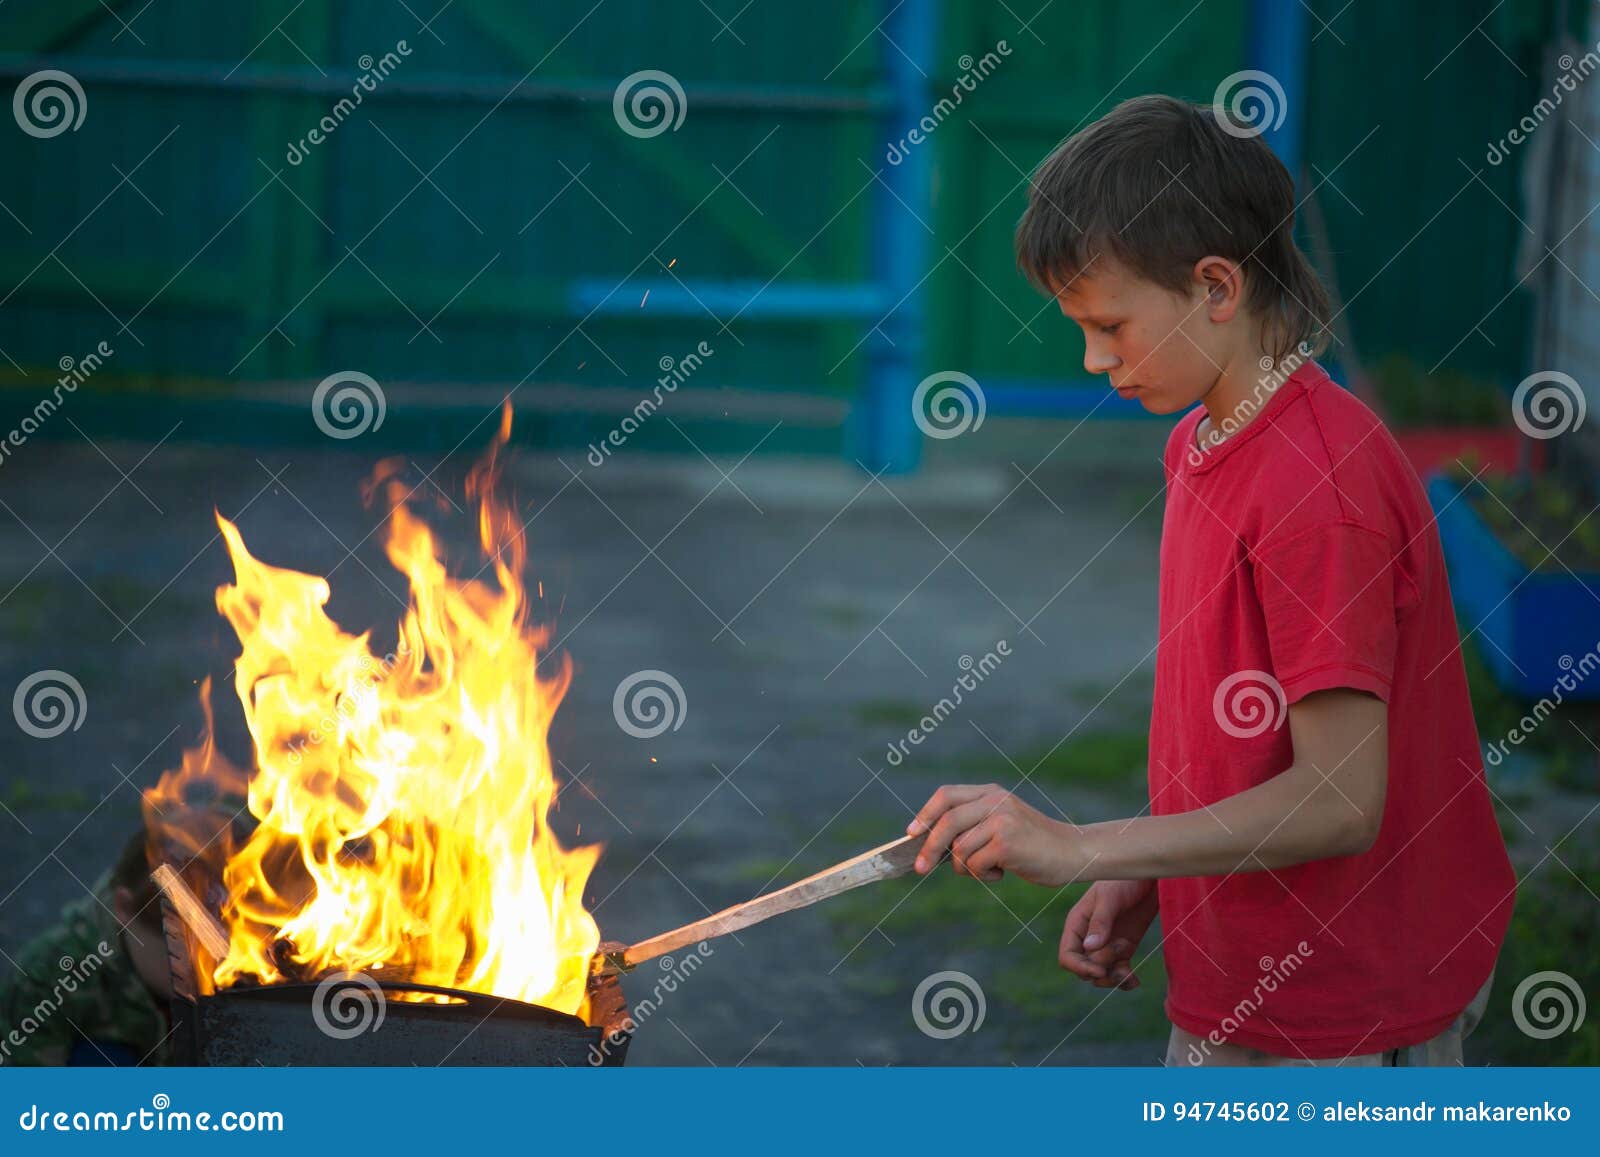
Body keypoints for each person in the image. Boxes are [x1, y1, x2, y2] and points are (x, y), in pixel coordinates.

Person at [908, 95, 1514, 1066]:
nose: (1093, 359)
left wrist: (1085, 844)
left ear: (1216, 287)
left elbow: (1339, 799)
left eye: (1110, 324)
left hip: (1342, 1003)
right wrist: (1151, 862)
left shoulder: (1319, 491)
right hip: (1239, 969)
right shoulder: (1199, 439)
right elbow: (1239, 725)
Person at [0, 829, 173, 1065]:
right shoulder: (52, 976)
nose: (212, 969)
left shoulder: (237, 951)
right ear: (124, 908)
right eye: (181, 949)